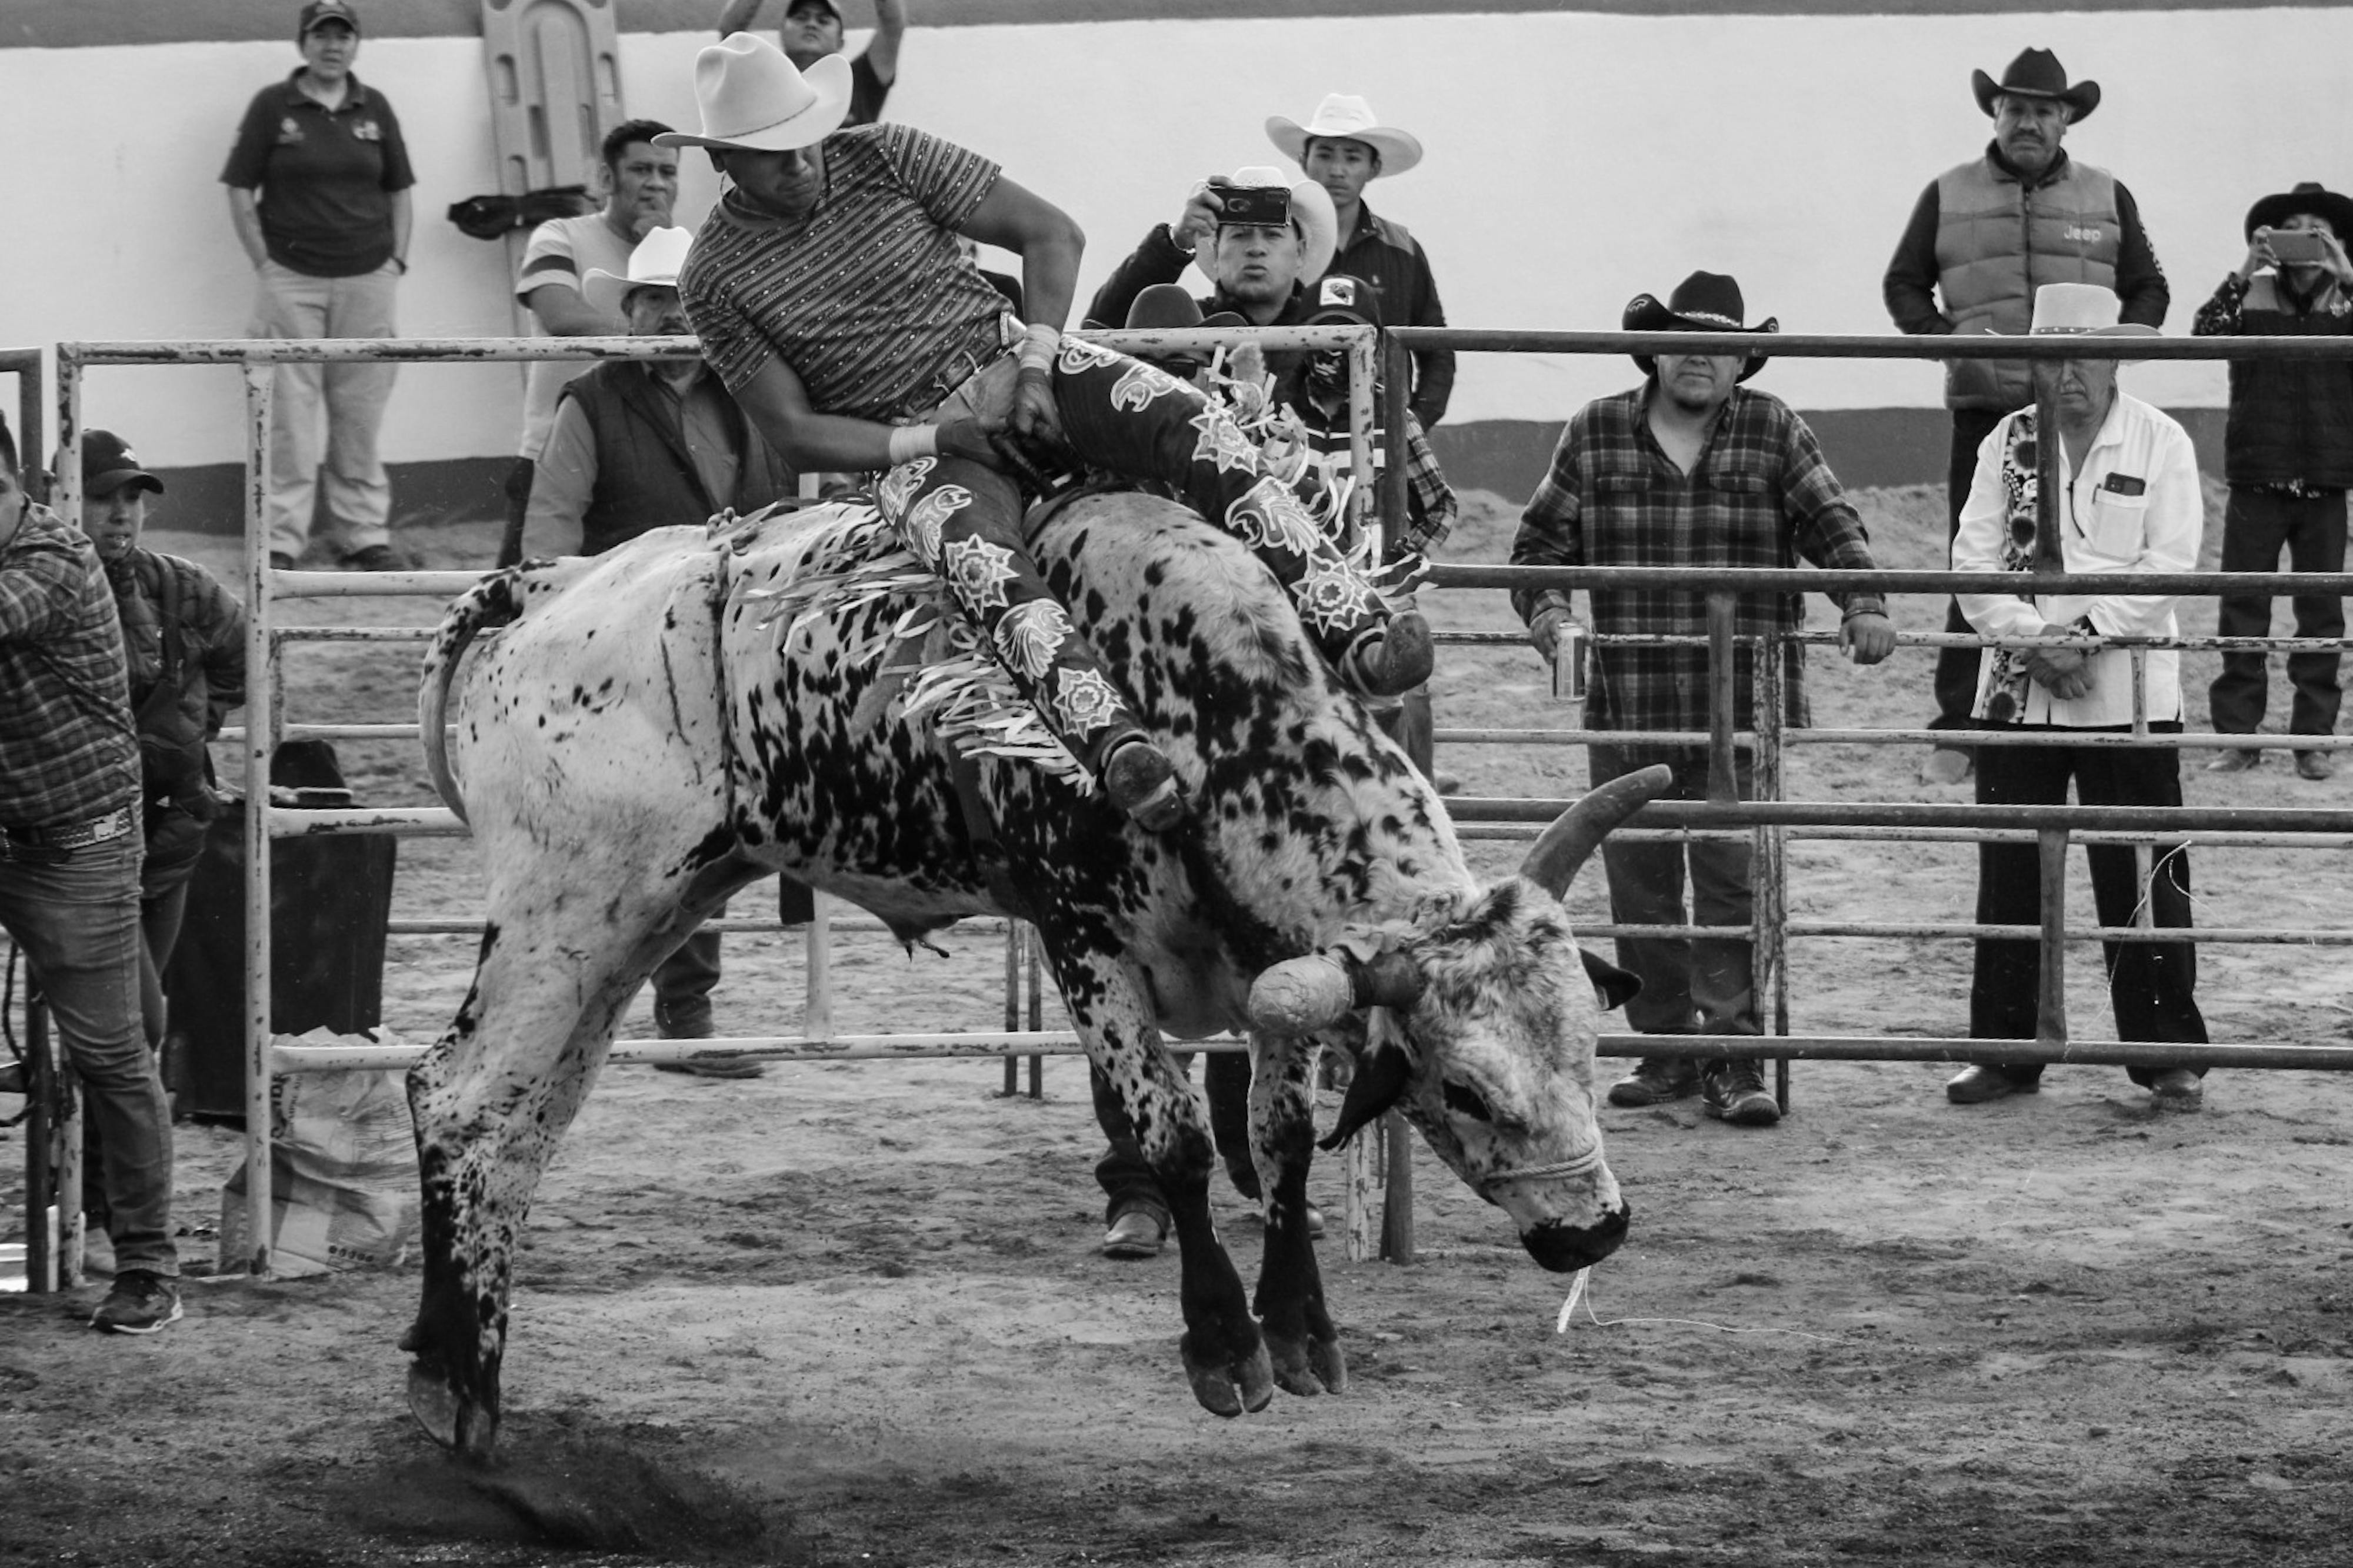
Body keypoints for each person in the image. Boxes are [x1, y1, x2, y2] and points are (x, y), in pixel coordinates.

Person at [666, 35, 1429, 836]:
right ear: (723, 160)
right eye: (773, 154)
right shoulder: (713, 275)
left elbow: (1052, 233)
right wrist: (937, 437)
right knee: (982, 564)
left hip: (1015, 357)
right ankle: (1114, 746)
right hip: (908, 441)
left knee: (1195, 422)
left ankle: (1353, 625)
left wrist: (1034, 366)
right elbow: (793, 431)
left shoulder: (884, 153)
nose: (801, 163)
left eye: (807, 139)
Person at [1510, 272, 1898, 1128]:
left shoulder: (1773, 427)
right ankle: (1667, 1051)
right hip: (1629, 694)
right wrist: (1551, 617)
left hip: (1740, 701)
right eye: (1684, 339)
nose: (1700, 356)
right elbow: (1538, 546)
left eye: (1719, 345)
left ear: (1741, 362)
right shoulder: (1594, 428)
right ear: (1655, 350)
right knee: (1641, 883)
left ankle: (1733, 1056)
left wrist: (1863, 602)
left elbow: (1832, 523)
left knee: (1731, 880)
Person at [522, 229, 795, 1076]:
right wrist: (557, 624)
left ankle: (682, 1010)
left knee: (707, 828)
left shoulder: (750, 394)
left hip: (730, 641)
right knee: (633, 831)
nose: (670, 316)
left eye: (682, 301)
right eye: (652, 301)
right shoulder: (593, 400)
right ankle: (609, 1012)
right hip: (624, 645)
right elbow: (551, 526)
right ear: (631, 312)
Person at [1947, 282, 2208, 1111]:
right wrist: (2034, 639)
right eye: (2052, 356)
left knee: (2142, 869)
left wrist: (2085, 634)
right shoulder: (2006, 442)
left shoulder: (2160, 439)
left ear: (2115, 359)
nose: (2068, 373)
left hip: (2128, 691)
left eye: (2085, 355)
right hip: (2020, 688)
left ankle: (2166, 1051)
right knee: (2010, 870)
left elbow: (2171, 563)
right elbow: (1970, 561)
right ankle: (2006, 1050)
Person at [1882, 48, 2168, 788]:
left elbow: (2150, 289)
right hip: (1988, 410)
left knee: (2092, 556)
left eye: (2042, 110)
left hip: (2083, 416)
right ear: (1995, 114)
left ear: (2066, 118)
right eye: (2014, 108)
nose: (2028, 122)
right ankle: (1962, 721)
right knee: (1979, 560)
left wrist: (2109, 355)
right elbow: (1903, 284)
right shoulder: (1946, 192)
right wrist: (1949, 345)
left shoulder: (2108, 195)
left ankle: (2092, 701)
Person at [0, 418, 183, 1332]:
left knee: (114, 1051)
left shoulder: (54, 557)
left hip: (80, 843)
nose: (124, 515)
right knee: (122, 1044)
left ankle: (148, 1261)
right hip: (46, 834)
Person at [221, 1, 415, 574]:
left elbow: (400, 190)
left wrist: (396, 262)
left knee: (360, 413)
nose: (333, 46)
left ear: (356, 44)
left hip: (368, 277)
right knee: (289, 414)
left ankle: (363, 535)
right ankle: (282, 539)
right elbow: (239, 187)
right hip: (291, 279)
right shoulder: (272, 106)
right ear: (303, 43)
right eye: (322, 35)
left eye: (343, 36)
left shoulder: (374, 106)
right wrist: (265, 263)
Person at [72, 433, 247, 1059]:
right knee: (135, 1025)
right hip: (82, 844)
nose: (122, 514)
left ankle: (84, 1123)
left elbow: (243, 656)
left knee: (123, 1028)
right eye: (102, 498)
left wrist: (193, 723)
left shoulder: (180, 585)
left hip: (167, 831)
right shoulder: (40, 587)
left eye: (133, 498)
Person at [2191, 182, 2353, 782]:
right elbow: (2204, 336)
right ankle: (2238, 739)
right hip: (2256, 477)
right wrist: (2243, 270)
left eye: (2317, 229)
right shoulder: (2251, 292)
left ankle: (2312, 741)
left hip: (2327, 480)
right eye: (2291, 229)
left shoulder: (2348, 296)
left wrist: (2349, 275)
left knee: (2321, 616)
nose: (2304, 239)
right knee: (2243, 609)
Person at [496, 120, 681, 569]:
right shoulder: (559, 234)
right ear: (606, 178)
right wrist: (652, 335)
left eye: (668, 172)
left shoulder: (683, 250)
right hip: (552, 447)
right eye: (641, 169)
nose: (656, 183)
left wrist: (660, 246)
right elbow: (560, 316)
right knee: (521, 591)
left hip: (653, 455)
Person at [1266, 92, 1454, 428]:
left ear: (1374, 168)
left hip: (1383, 430)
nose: (1337, 170)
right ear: (1304, 160)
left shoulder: (1403, 250)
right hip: (1291, 432)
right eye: (1325, 155)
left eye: (1352, 158)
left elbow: (1437, 350)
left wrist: (1414, 425)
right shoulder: (1277, 243)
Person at [1084, 164, 1341, 379]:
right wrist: (1177, 240)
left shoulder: (1333, 341)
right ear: (1216, 251)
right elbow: (1094, 340)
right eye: (1240, 235)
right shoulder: (1182, 326)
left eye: (1272, 235)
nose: (1255, 248)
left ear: (1300, 252)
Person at [716, 0, 906, 126]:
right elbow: (731, 31)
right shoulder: (763, 79)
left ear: (841, 41)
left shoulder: (860, 80)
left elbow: (892, 26)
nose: (811, 24)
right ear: (782, 33)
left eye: (823, 21)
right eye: (801, 18)